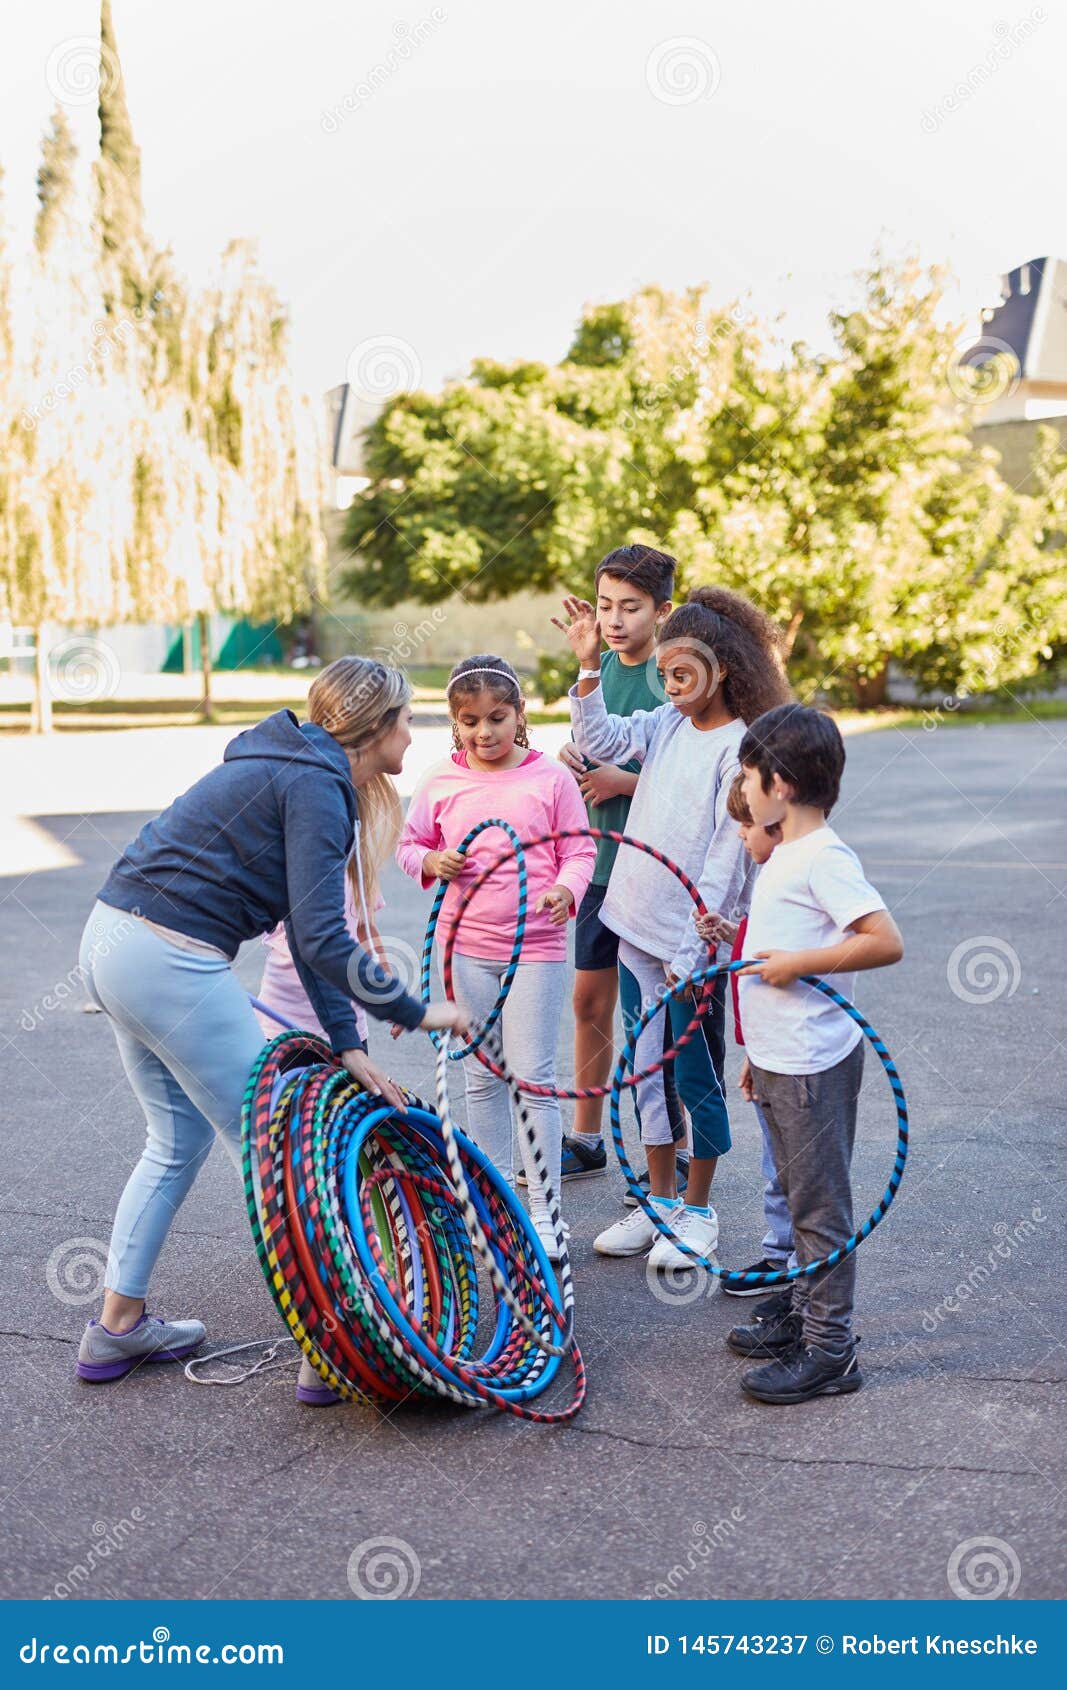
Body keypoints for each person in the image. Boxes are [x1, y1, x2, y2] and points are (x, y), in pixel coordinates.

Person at [75, 658, 468, 1403]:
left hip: (111, 941)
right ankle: (330, 1347)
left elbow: (309, 931)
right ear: (375, 726)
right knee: (280, 1149)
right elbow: (323, 938)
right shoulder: (317, 786)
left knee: (177, 1140)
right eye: (407, 720)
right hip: (167, 957)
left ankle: (117, 1326)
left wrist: (347, 1043)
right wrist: (410, 1011)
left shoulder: (291, 763)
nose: (413, 737)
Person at [557, 586, 791, 1271]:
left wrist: (692, 952)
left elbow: (724, 861)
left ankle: (697, 1211)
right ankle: (656, 1202)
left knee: (691, 1077)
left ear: (723, 668)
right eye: (663, 675)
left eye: (681, 675)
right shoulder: (664, 724)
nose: (669, 686)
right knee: (641, 1074)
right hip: (633, 926)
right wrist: (586, 668)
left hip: (687, 945)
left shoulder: (739, 748)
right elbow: (598, 737)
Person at [731, 703, 904, 1404]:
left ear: (777, 782)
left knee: (817, 1211)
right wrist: (754, 1054)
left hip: (811, 1065)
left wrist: (802, 963)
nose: (741, 791)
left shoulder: (824, 857)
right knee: (803, 1199)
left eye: (746, 777)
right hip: (779, 1059)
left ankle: (830, 1351)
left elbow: (883, 939)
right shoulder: (786, 853)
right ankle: (803, 1317)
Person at [396, 655, 596, 1261]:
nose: (484, 732)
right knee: (481, 1077)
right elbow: (410, 846)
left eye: (497, 718)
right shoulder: (439, 779)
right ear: (456, 723)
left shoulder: (550, 779)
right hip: (464, 948)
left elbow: (580, 849)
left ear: (521, 716)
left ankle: (545, 1209)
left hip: (534, 946)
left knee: (533, 1076)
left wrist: (567, 889)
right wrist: (432, 862)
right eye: (470, 721)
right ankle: (496, 1199)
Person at [553, 543, 689, 1199]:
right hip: (596, 863)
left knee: (653, 1017)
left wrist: (620, 782)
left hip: (650, 872)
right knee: (587, 1002)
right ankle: (587, 1137)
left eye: (629, 607)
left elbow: (686, 773)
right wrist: (572, 760)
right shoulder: (595, 668)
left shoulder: (673, 675)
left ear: (662, 611)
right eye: (605, 605)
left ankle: (675, 1147)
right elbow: (589, 740)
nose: (613, 618)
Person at [694, 773, 796, 1291]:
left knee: (801, 1172)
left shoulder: (798, 879)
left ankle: (807, 1288)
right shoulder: (771, 884)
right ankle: (782, 1263)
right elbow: (761, 953)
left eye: (745, 825)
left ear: (777, 823)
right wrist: (734, 934)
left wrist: (794, 964)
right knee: (776, 1164)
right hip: (767, 1048)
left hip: (800, 1056)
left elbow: (796, 963)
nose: (738, 836)